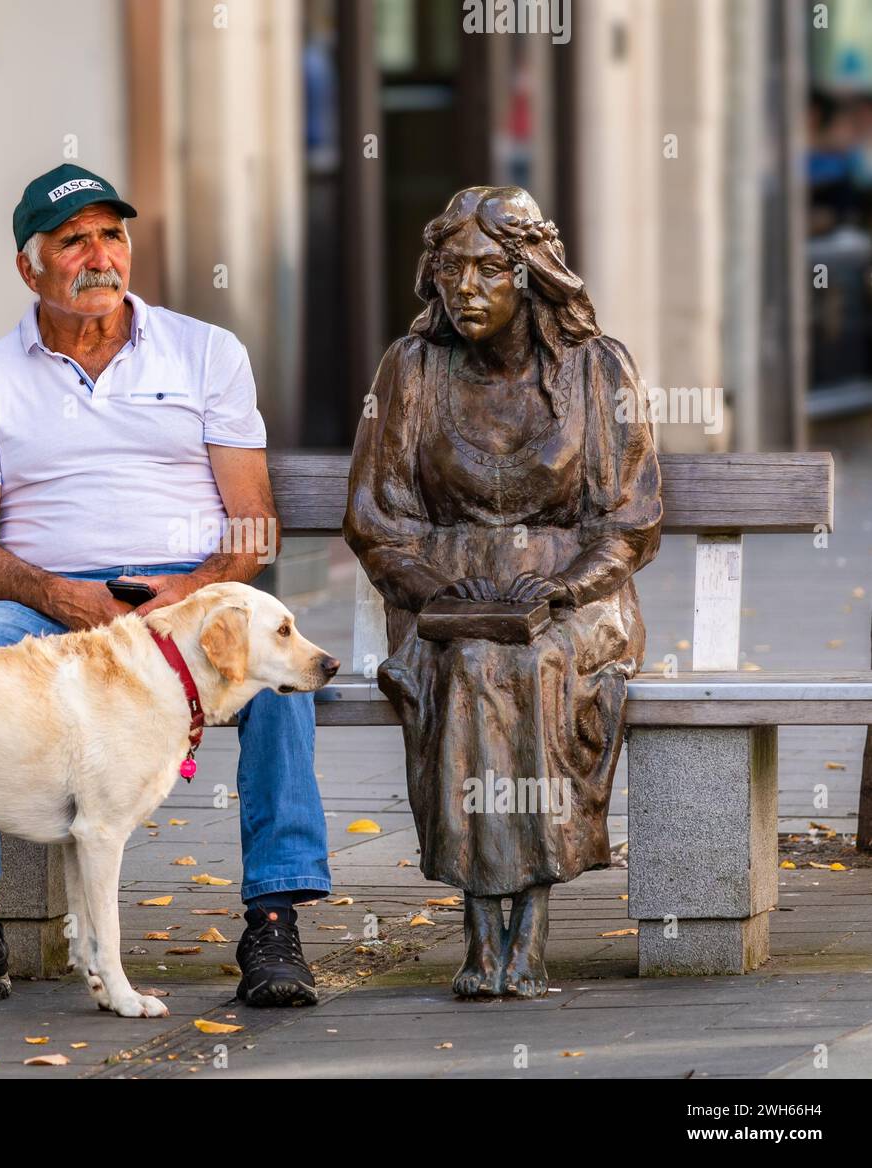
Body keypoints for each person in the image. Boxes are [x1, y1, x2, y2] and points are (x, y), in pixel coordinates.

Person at [0, 163, 331, 1010]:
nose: (100, 256)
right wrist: (66, 599)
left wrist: (194, 592)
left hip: (187, 598)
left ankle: (274, 922)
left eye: (113, 235)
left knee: (280, 683)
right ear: (30, 267)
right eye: (74, 241)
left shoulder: (206, 351)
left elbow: (253, 525)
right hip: (40, 603)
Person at [344, 186, 661, 998]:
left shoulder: (597, 369)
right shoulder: (411, 369)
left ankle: (526, 934)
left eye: (490, 269)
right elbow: (377, 519)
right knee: (474, 660)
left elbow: (629, 523)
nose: (467, 289)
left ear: (532, 275)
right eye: (451, 270)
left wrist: (560, 589)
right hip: (442, 597)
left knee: (527, 663)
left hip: (577, 599)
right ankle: (487, 934)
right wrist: (435, 592)